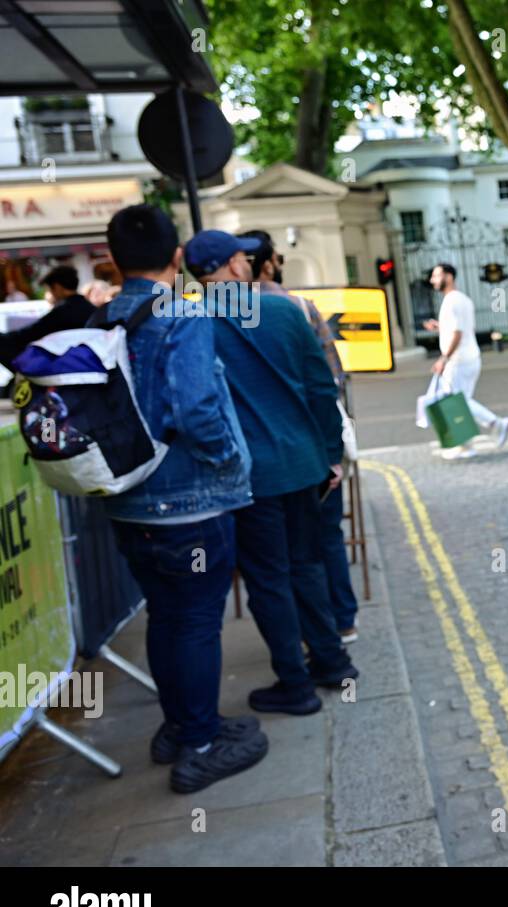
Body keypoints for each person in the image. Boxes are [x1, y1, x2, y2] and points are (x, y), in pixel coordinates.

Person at [98, 205, 267, 794]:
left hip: (127, 502)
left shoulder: (105, 317)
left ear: (114, 259)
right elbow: (196, 408)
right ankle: (199, 741)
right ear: (177, 258)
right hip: (189, 504)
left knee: (166, 618)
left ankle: (177, 725)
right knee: (197, 622)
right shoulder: (181, 315)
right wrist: (225, 460)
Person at [185, 229, 357, 716]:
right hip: (304, 462)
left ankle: (295, 684)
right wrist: (331, 453)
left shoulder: (193, 319)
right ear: (235, 265)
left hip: (248, 475)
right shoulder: (286, 310)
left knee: (267, 578)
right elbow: (322, 387)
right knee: (306, 564)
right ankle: (332, 661)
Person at [240, 229, 359, 645]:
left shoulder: (223, 314)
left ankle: (304, 637)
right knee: (325, 537)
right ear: (271, 261)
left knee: (277, 559)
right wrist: (331, 448)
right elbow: (333, 377)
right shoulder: (298, 308)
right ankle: (341, 621)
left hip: (261, 457)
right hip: (310, 445)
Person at [419, 264, 508, 460]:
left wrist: (444, 358)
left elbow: (458, 334)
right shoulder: (463, 300)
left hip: (458, 360)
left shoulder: (451, 302)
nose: (433, 280)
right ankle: (465, 446)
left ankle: (495, 423)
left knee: (457, 401)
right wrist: (440, 327)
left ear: (449, 277)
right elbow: (460, 328)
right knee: (459, 402)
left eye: (436, 276)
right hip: (469, 357)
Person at [0, 265, 96, 367]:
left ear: (57, 287)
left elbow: (28, 333)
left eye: (50, 290)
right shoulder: (91, 309)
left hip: (63, 367)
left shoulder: (62, 312)